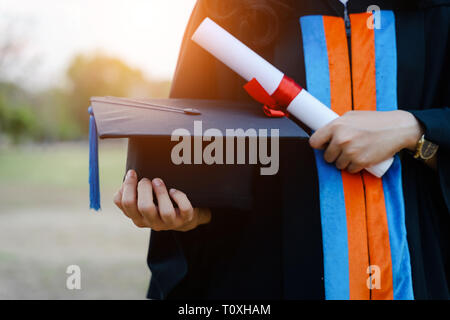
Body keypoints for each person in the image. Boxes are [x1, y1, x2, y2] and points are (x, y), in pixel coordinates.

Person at [114, 0, 449, 299]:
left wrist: (415, 128)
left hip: (417, 273)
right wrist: (188, 216)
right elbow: (200, 155)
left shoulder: (436, 7)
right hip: (268, 277)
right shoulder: (227, 9)